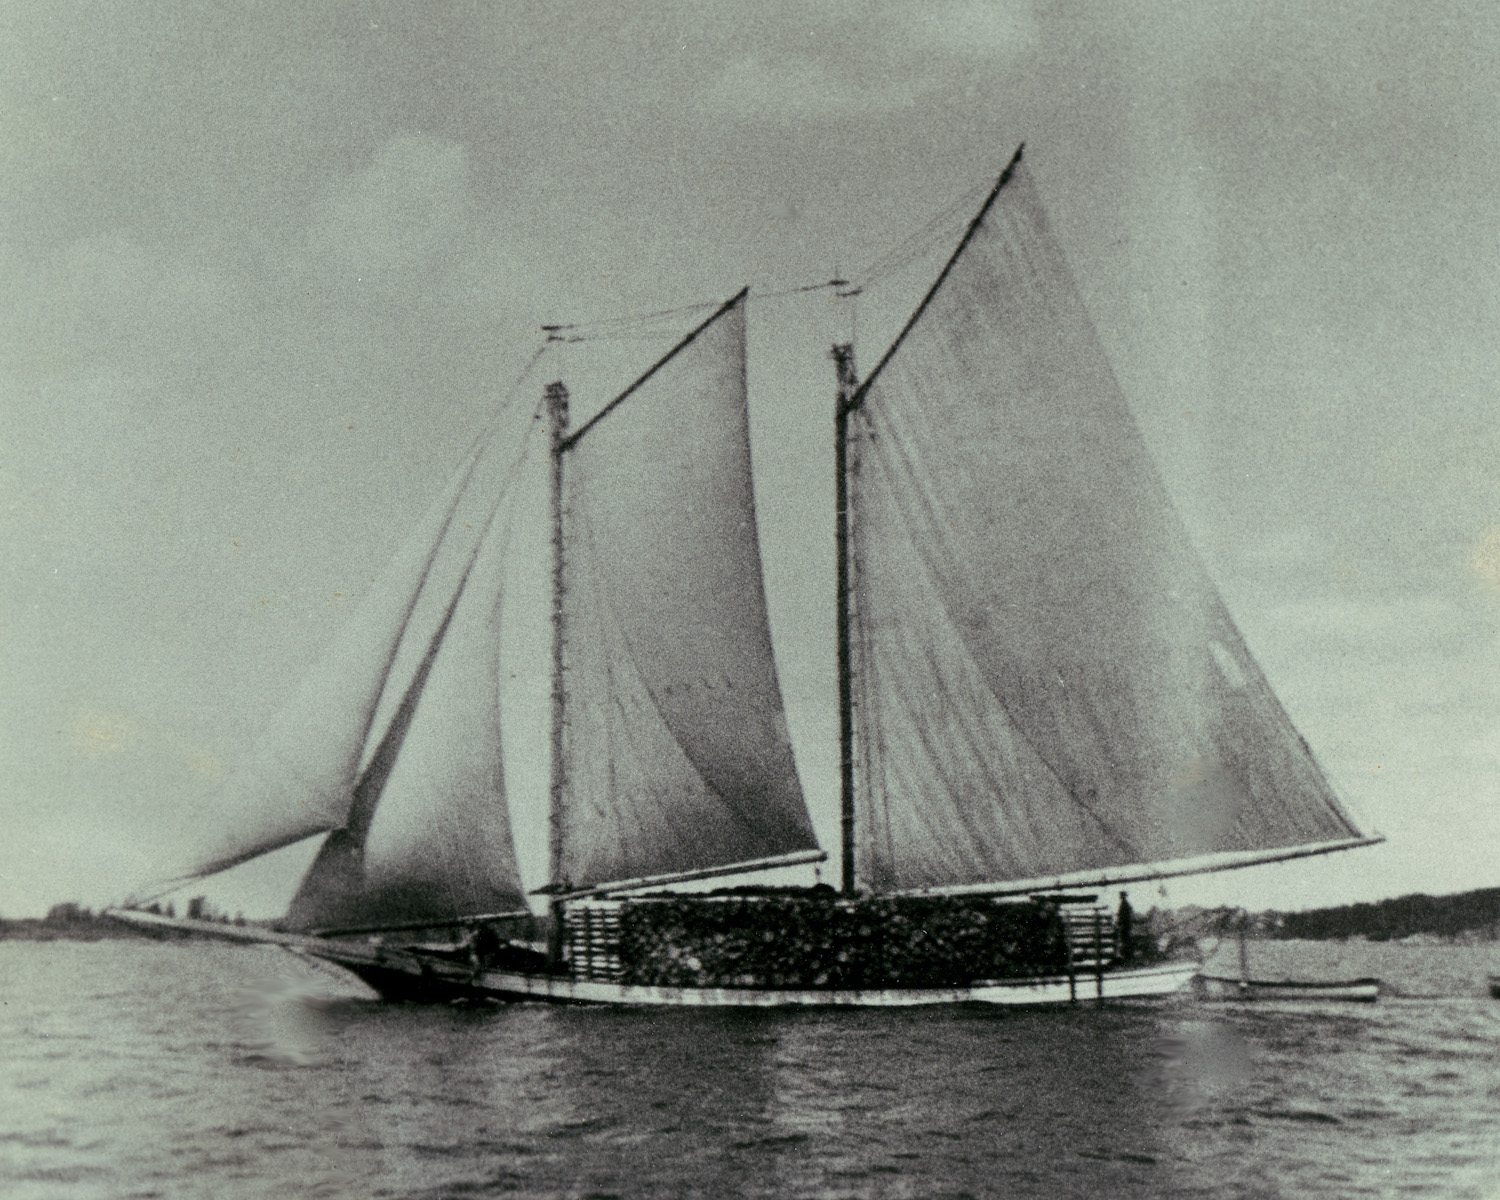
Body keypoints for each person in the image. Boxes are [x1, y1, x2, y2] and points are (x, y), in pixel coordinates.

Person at [1117, 891, 1134, 963]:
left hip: (1124, 925)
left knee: (1124, 941)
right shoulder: (1126, 904)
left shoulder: (1124, 904)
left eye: (1121, 895)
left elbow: (1121, 916)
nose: (1120, 897)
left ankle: (1126, 957)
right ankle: (1127, 956)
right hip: (1126, 925)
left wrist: (1119, 923)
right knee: (1126, 940)